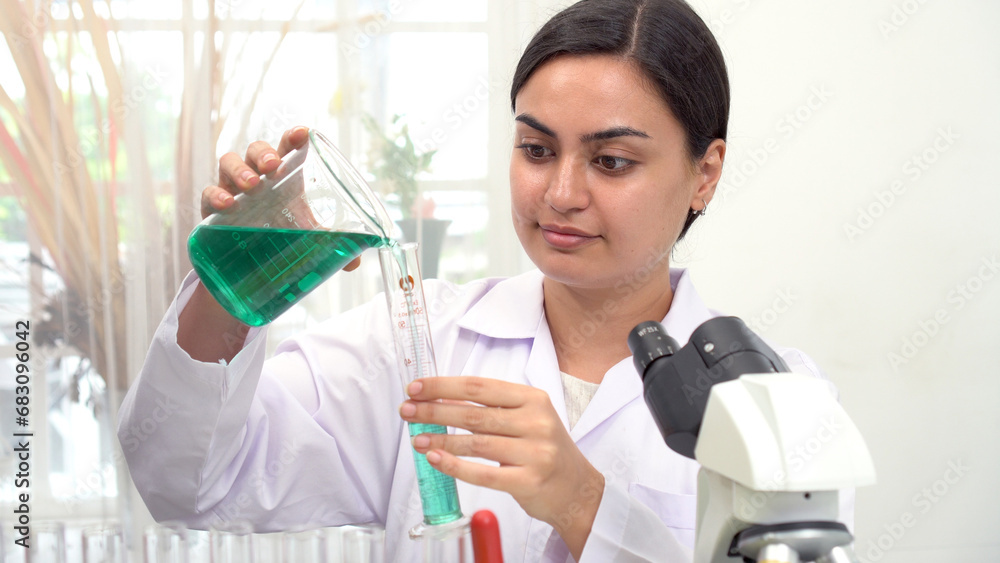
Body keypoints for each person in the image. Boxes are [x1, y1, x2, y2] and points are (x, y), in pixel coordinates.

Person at [118, 0, 852, 561]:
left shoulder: (777, 403)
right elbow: (186, 482)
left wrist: (585, 503)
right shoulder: (414, 345)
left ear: (705, 173)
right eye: (536, 148)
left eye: (612, 161)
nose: (560, 192)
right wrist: (234, 289)